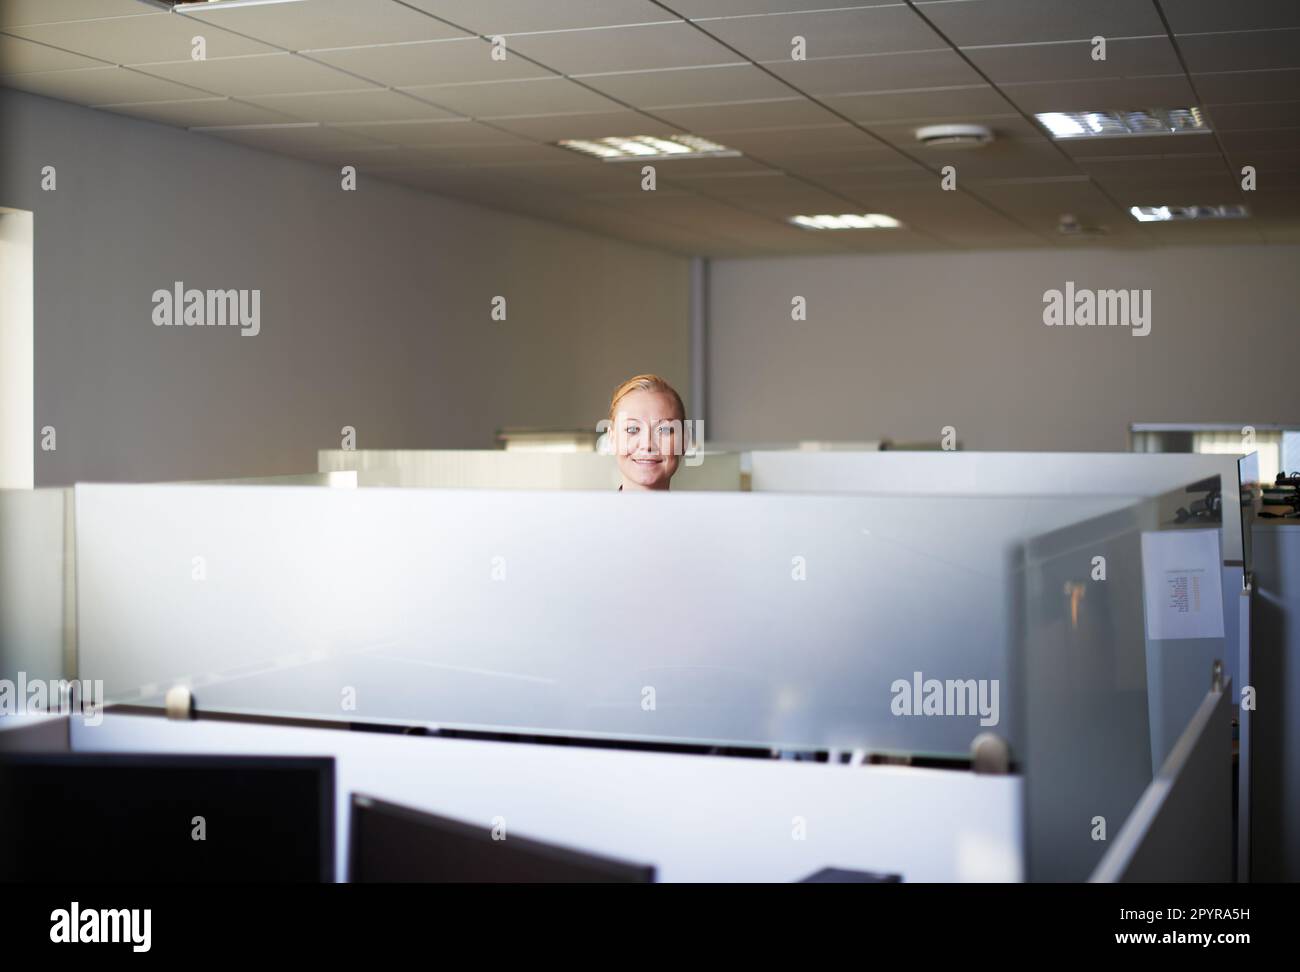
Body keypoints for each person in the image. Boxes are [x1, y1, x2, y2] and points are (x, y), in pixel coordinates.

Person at [607, 374, 687, 492]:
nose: (647, 445)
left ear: (684, 441)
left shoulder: (705, 510)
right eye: (632, 429)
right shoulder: (586, 511)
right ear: (612, 439)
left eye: (663, 430)